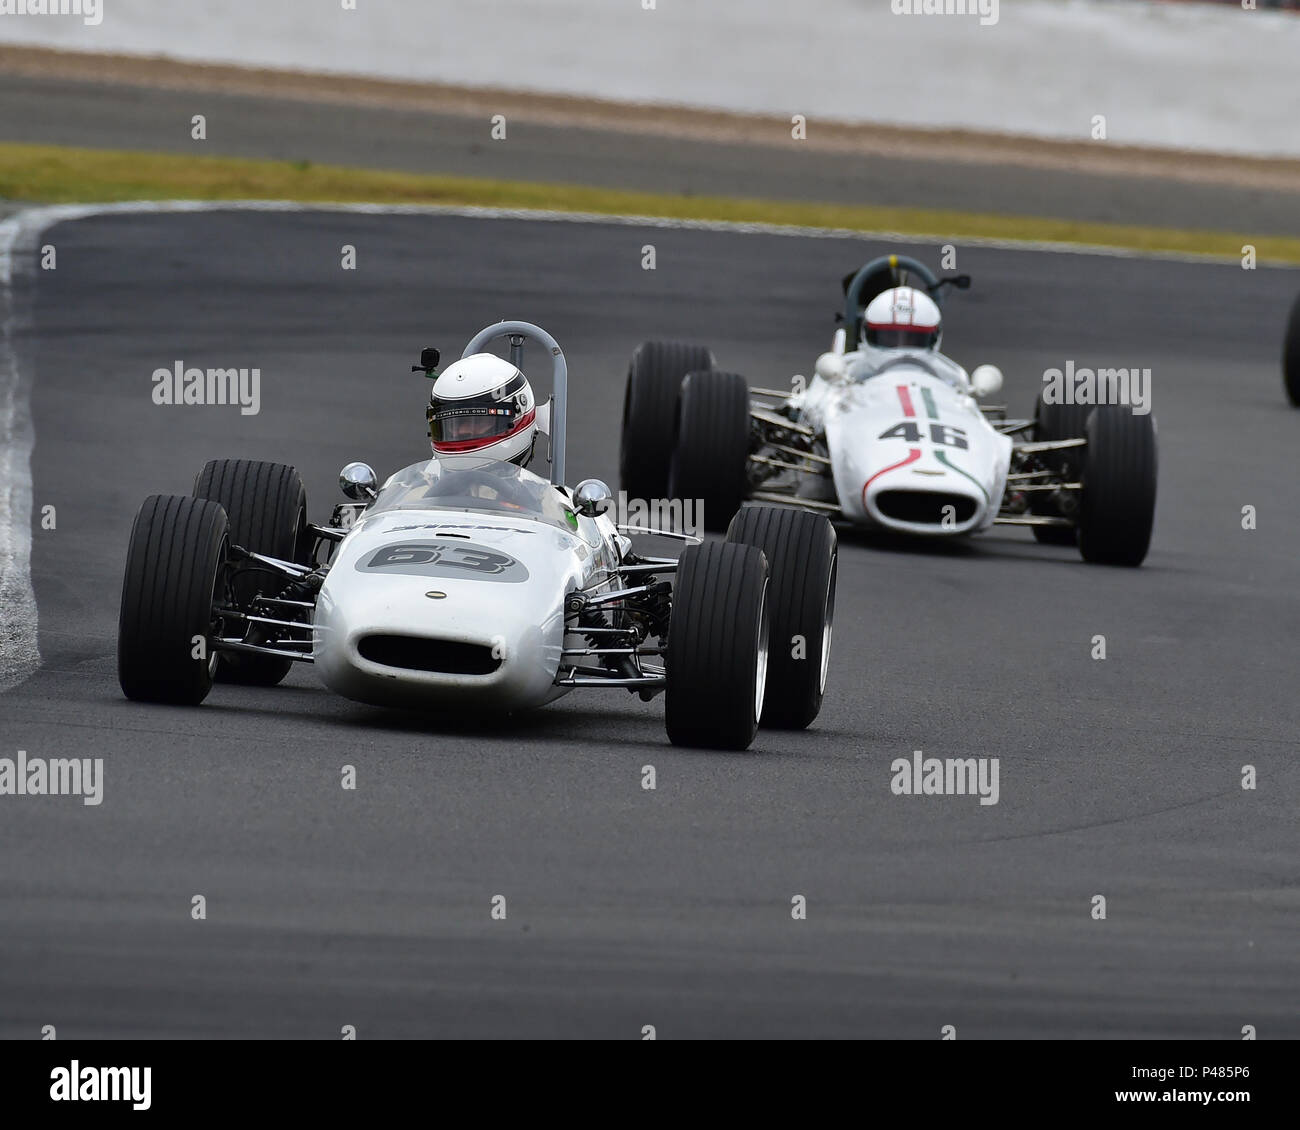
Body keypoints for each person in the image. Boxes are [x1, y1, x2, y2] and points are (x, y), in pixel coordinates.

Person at [426, 353, 538, 466]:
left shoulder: (539, 484)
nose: (461, 431)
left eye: (477, 422)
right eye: (451, 423)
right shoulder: (424, 481)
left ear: (517, 415)